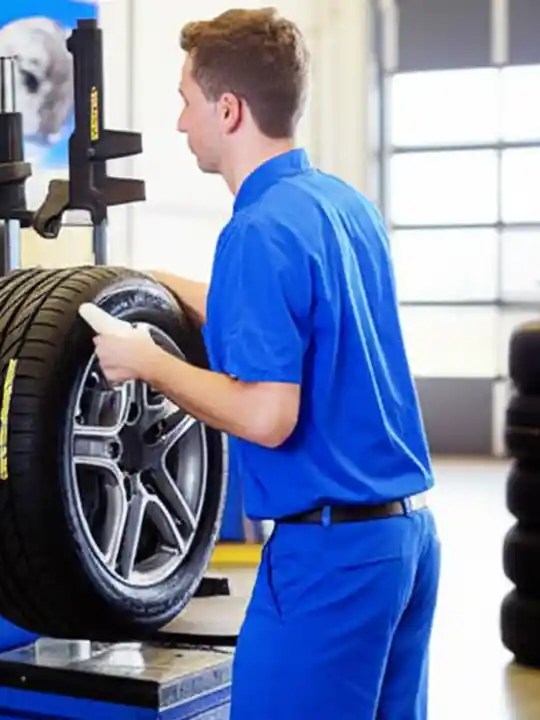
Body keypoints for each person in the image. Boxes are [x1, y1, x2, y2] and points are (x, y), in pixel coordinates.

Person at [90, 8, 441, 719]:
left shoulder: (254, 228)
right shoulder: (342, 206)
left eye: (186, 101)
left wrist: (147, 362)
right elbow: (284, 318)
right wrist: (158, 286)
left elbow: (267, 414)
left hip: (330, 560)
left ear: (228, 108)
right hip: (405, 542)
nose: (181, 122)